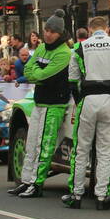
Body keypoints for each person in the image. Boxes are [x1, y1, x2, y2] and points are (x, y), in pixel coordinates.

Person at [62, 16, 110, 210]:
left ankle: (76, 195)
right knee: (105, 151)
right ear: (107, 28)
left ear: (90, 29)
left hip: (87, 99)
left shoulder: (79, 48)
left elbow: (71, 82)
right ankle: (101, 197)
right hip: (109, 100)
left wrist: (79, 102)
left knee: (81, 149)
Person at [12, 10, 73, 199]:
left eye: (52, 31)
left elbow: (40, 75)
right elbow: (29, 70)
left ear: (60, 33)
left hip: (54, 105)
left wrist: (36, 73)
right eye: (46, 30)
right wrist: (37, 73)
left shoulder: (64, 53)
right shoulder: (41, 47)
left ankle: (37, 184)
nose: (47, 34)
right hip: (39, 102)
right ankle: (26, 181)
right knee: (31, 144)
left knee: (44, 145)